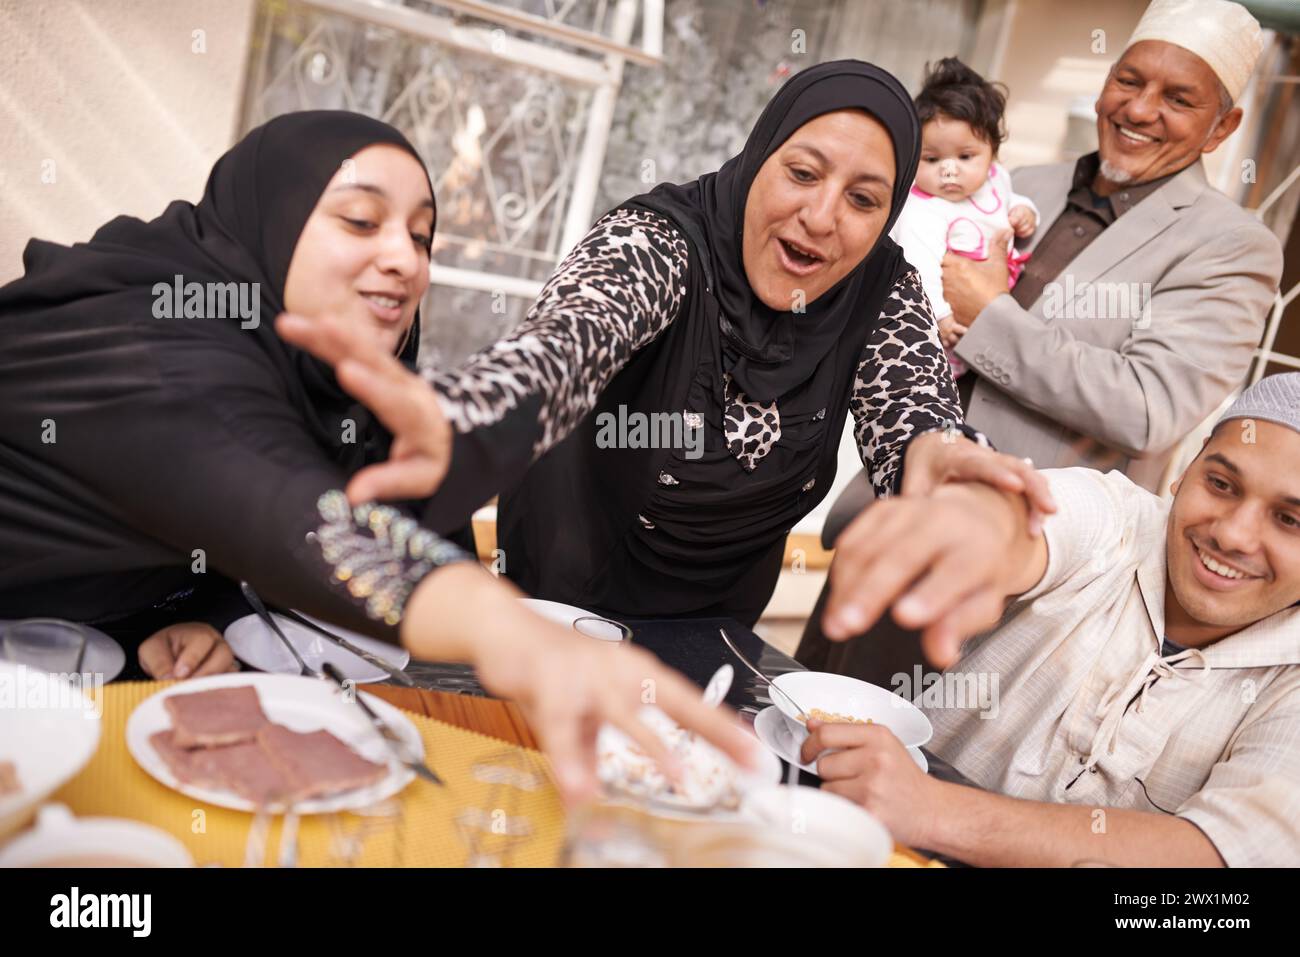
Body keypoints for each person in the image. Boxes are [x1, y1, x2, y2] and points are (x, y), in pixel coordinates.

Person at [0, 110, 755, 802]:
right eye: (361, 220)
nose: (404, 259)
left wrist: (200, 613)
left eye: (422, 236)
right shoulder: (150, 332)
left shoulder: (322, 368)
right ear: (274, 217)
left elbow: (380, 521)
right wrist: (524, 642)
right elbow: (298, 513)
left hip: (93, 680)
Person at [283, 60, 1055, 645]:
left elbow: (915, 408)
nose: (822, 217)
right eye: (802, 172)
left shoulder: (879, 286)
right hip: (560, 599)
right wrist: (468, 412)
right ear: (760, 156)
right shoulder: (662, 238)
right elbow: (568, 341)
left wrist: (950, 475)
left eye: (863, 199)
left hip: (711, 632)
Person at [799, 0, 1283, 680]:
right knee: (794, 730)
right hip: (885, 518)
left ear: (1221, 126)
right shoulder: (1019, 185)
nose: (1140, 110)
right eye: (1130, 81)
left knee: (903, 763)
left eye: (1179, 98)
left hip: (1011, 584)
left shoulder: (1231, 247)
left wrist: (991, 312)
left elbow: (1150, 408)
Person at [804, 373, 1300, 867]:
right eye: (1220, 484)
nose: (1233, 534)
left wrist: (932, 811)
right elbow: (1026, 526)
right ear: (1185, 473)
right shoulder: (1120, 518)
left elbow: (1217, 853)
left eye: (1289, 519)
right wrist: (978, 521)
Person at [888, 57, 1038, 382]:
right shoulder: (922, 210)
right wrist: (939, 315)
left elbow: (1011, 199)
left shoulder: (996, 179)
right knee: (927, 382)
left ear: (992, 153)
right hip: (941, 319)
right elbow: (919, 269)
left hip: (994, 310)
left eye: (965, 157)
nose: (950, 170)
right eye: (932, 159)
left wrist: (1026, 212)